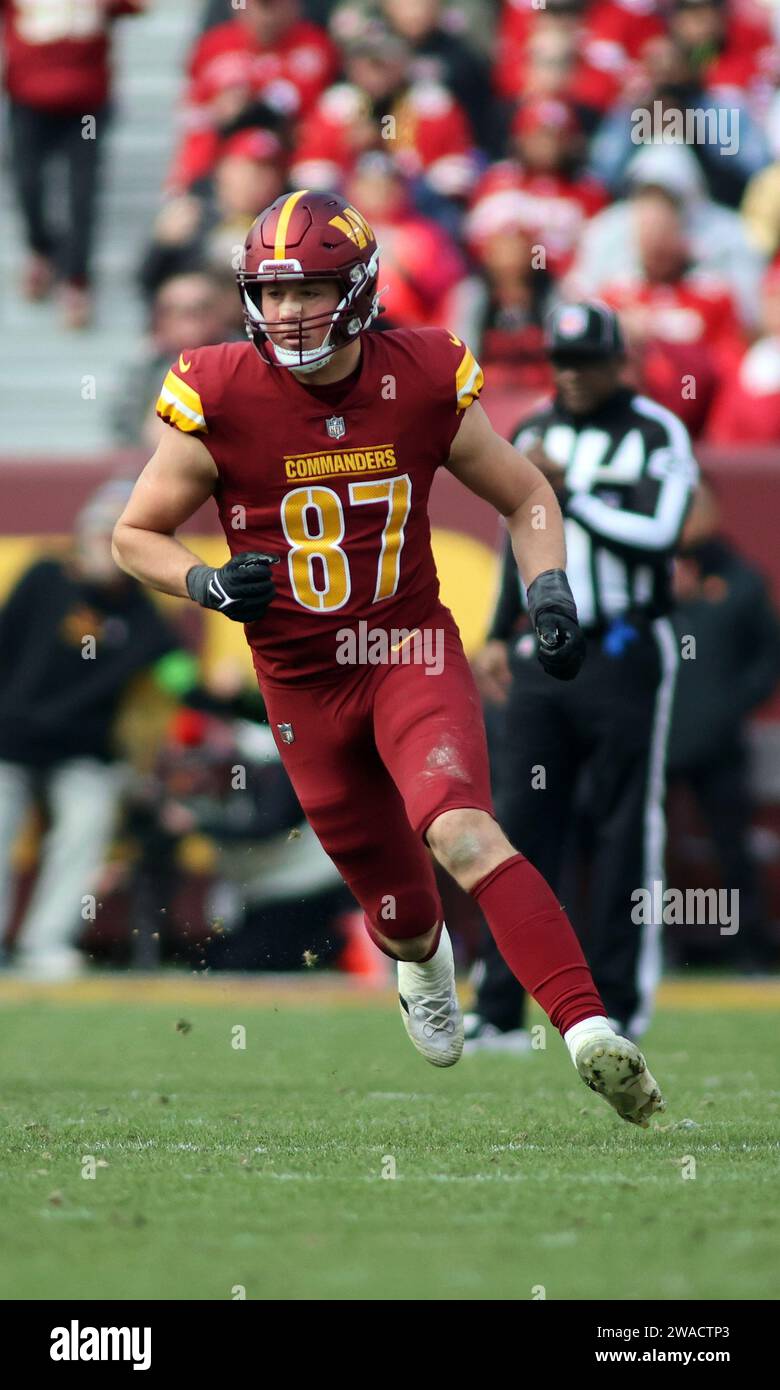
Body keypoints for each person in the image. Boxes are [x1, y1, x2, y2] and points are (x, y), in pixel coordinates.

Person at [112, 189, 667, 1128]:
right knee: (404, 915)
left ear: (360, 287)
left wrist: (550, 591)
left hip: (407, 650)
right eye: (272, 293)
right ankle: (423, 961)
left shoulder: (420, 373)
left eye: (311, 290)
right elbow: (135, 534)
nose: (288, 312)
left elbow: (527, 493)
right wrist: (205, 584)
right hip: (301, 681)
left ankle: (588, 1031)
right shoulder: (218, 387)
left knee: (463, 832)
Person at [471, 301, 698, 1046]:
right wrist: (503, 624)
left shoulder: (655, 430)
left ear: (615, 363)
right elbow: (517, 533)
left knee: (624, 824)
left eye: (583, 362)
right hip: (545, 650)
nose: (569, 375)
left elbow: (659, 533)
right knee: (522, 823)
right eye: (558, 361)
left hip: (625, 649)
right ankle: (501, 1005)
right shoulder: (535, 428)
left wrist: (573, 497)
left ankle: (620, 1003)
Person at [0, 481, 182, 980]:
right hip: (9, 741)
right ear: (83, 533)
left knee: (89, 818)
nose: (106, 542)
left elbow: (178, 674)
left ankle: (44, 945)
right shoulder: (44, 578)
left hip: (85, 753)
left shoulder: (144, 617)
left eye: (117, 534)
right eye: (101, 530)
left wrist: (232, 697)